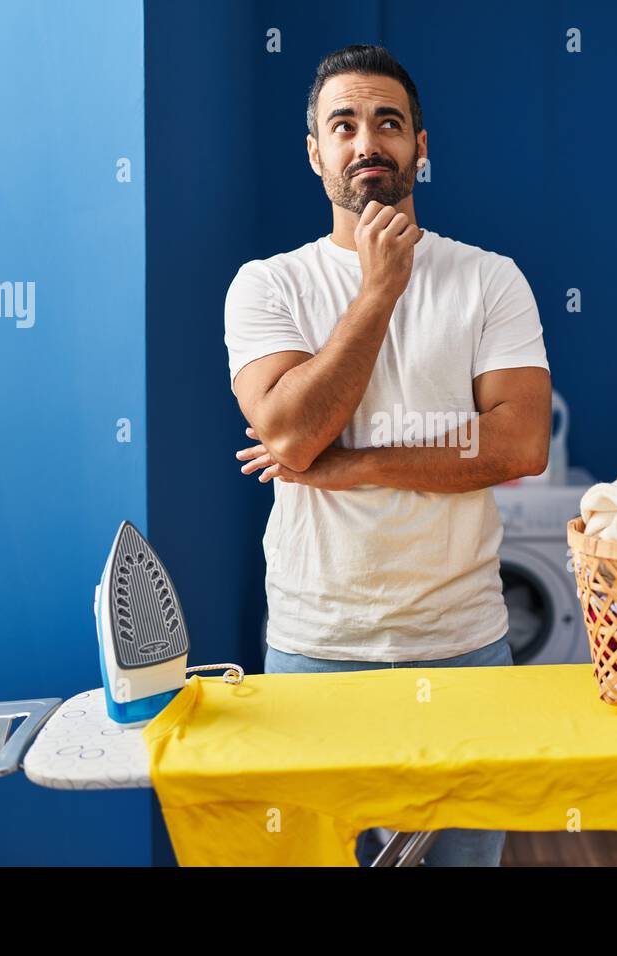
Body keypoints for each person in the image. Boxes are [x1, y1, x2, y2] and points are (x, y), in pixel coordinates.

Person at [224, 43, 551, 867]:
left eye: (388, 122)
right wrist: (378, 291)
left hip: (465, 644)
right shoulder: (268, 285)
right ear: (316, 153)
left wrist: (352, 462)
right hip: (313, 645)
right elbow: (291, 434)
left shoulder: (490, 279)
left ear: (420, 146)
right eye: (344, 124)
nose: (367, 140)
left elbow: (518, 443)